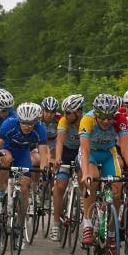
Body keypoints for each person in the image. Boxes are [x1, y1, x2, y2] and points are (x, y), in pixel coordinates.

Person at [79, 93, 128, 247]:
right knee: (92, 179)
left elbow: (125, 148)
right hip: (91, 153)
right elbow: (85, 150)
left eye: (109, 117)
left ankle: (111, 233)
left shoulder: (120, 119)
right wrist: (85, 173)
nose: (106, 121)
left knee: (117, 190)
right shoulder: (87, 119)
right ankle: (87, 224)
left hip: (108, 153)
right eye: (102, 117)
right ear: (95, 113)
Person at [0, 103, 49, 249]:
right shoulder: (9, 123)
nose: (27, 126)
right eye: (24, 122)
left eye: (31, 123)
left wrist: (44, 172)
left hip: (23, 153)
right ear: (18, 119)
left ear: (36, 121)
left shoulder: (40, 129)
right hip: (7, 149)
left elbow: (43, 154)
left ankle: (19, 227)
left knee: (24, 187)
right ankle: (0, 190)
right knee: (7, 159)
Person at [50, 94, 85, 242]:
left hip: (82, 151)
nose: (65, 115)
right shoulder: (64, 121)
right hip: (66, 152)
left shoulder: (86, 121)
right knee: (60, 186)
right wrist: (58, 158)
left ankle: (83, 202)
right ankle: (56, 225)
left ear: (78, 112)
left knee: (84, 177)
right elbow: (59, 141)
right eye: (64, 112)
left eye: (68, 112)